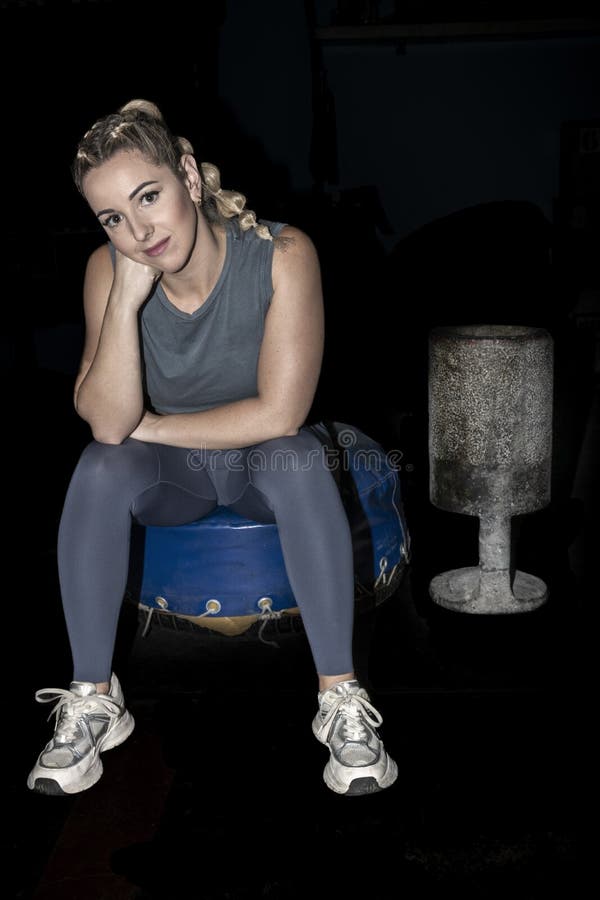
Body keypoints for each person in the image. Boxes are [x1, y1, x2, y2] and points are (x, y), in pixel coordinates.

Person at [27, 99, 398, 797]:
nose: (136, 231)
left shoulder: (284, 254)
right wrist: (127, 299)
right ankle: (94, 699)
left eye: (149, 197)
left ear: (189, 178)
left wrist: (155, 426)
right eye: (112, 218)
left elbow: (281, 410)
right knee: (101, 464)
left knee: (294, 451)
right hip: (178, 480)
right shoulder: (109, 273)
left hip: (265, 463)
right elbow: (108, 427)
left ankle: (340, 701)